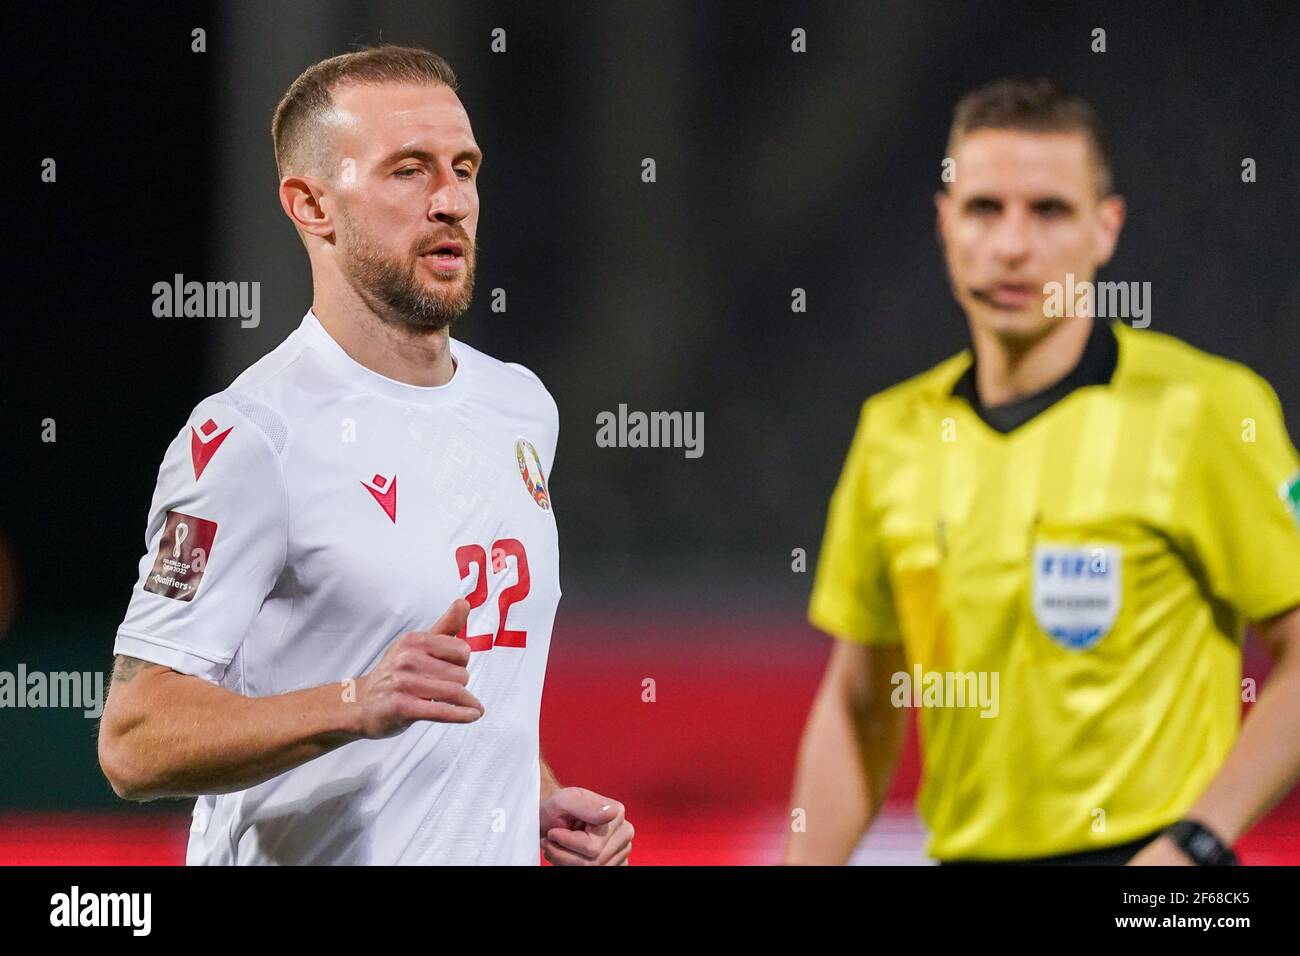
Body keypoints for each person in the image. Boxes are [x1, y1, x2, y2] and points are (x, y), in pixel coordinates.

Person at [98, 45, 633, 866]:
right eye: (409, 171)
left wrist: (531, 801)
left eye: (464, 168)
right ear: (312, 204)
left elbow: (463, 696)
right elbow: (134, 739)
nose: (452, 201)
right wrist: (351, 702)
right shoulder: (251, 438)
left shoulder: (520, 408)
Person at [785, 76, 1300, 865]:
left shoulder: (1204, 410)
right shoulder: (895, 432)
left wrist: (1195, 845)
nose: (1013, 245)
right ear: (945, 223)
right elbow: (861, 707)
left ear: (1106, 228)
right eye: (984, 208)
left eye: (1050, 210)